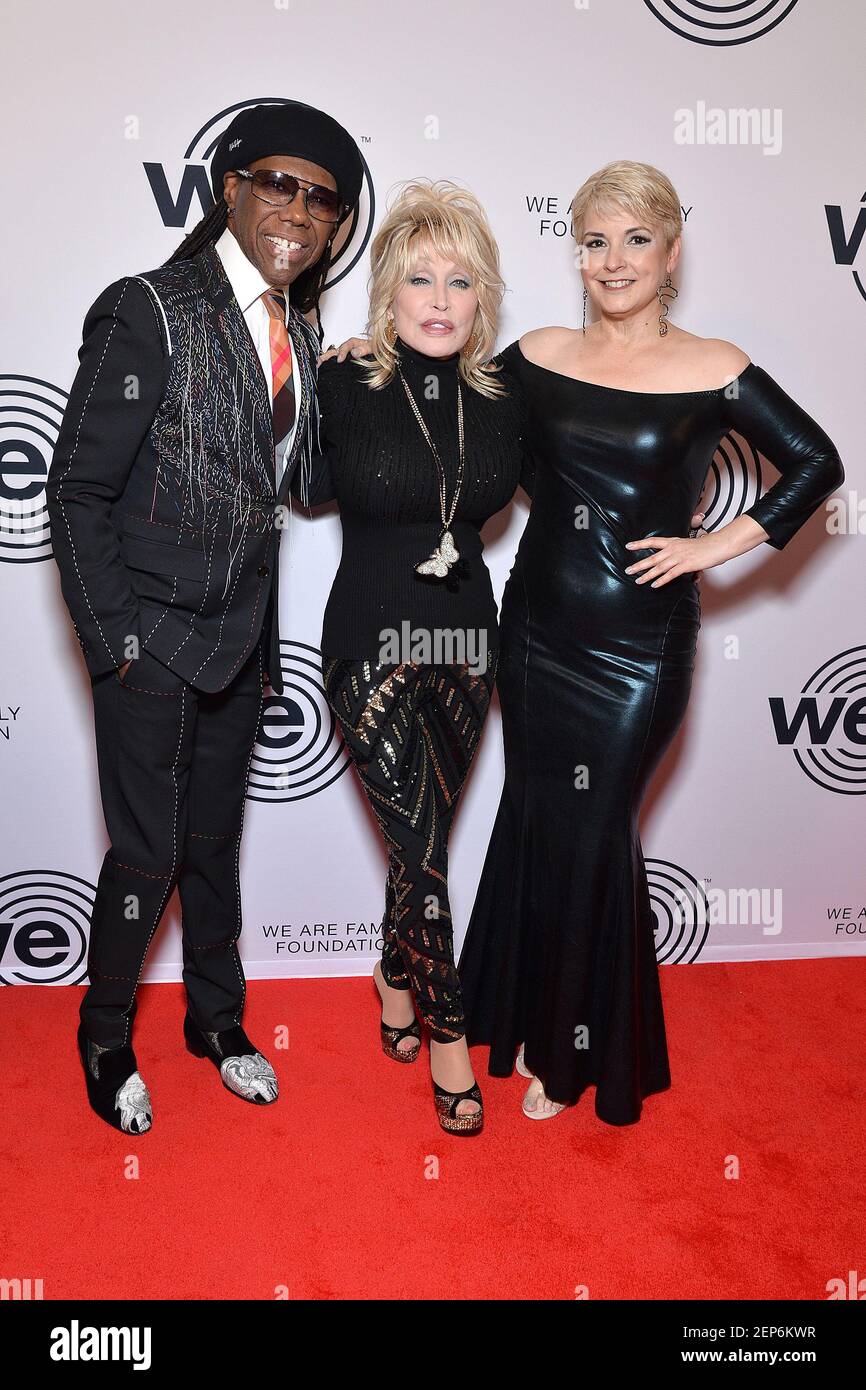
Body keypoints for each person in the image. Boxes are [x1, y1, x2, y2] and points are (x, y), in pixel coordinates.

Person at [456, 159, 845, 1125]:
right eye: (595, 240)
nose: (614, 260)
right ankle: (507, 1012)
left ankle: (570, 1051)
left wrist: (716, 545)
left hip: (637, 649)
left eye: (635, 239)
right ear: (577, 253)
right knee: (536, 818)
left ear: (672, 252)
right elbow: (446, 415)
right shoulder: (537, 354)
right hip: (536, 631)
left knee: (595, 831)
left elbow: (816, 461)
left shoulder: (713, 365)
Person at [46, 101, 364, 1133]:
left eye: (322, 199)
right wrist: (118, 644)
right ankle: (102, 1036)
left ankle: (216, 1022)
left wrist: (344, 393)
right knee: (145, 853)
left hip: (240, 643)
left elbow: (303, 488)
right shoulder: (148, 306)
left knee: (214, 846)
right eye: (279, 183)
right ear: (228, 187)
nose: (299, 211)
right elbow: (77, 493)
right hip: (152, 645)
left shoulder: (297, 322)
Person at [294, 181, 532, 1133]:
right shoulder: (348, 381)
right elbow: (306, 490)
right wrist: (318, 373)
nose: (439, 298)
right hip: (371, 644)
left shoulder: (511, 400)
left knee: (414, 844)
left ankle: (396, 973)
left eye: (460, 281)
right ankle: (448, 1036)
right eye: (420, 279)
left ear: (484, 298)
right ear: (389, 291)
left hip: (471, 643)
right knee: (428, 853)